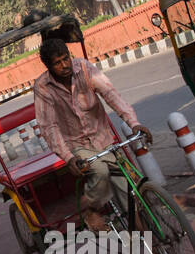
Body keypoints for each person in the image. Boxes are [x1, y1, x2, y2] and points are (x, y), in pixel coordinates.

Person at [32, 37, 153, 232]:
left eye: (66, 59)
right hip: (76, 144)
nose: (64, 66)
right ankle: (90, 208)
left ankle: (149, 240)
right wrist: (68, 158)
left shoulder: (84, 68)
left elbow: (110, 94)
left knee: (129, 190)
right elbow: (49, 126)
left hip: (102, 137)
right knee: (100, 171)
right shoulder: (43, 87)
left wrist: (134, 123)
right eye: (57, 63)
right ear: (48, 66)